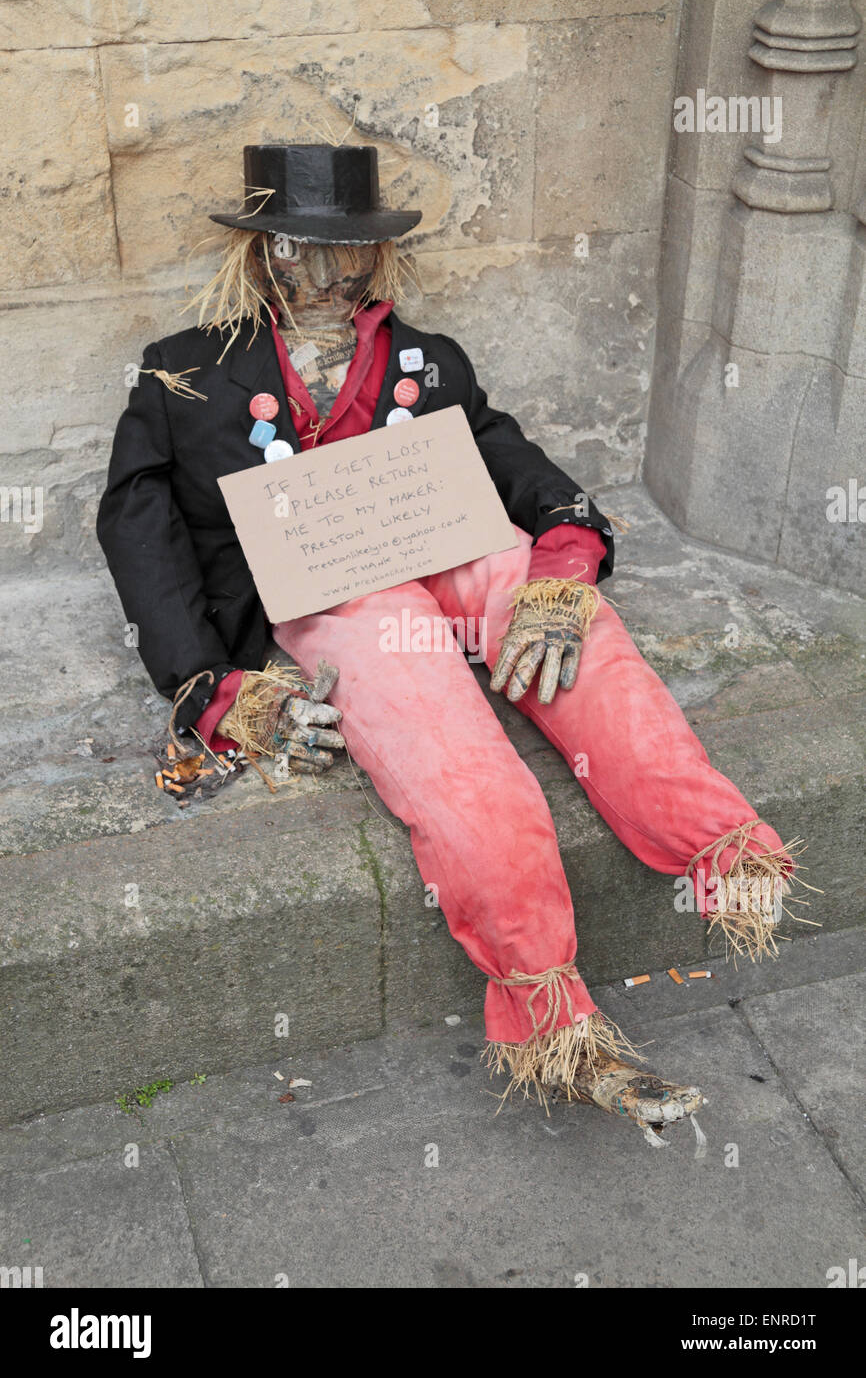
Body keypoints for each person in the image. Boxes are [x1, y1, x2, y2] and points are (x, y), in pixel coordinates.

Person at [97, 143, 801, 1145]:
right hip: (335, 581)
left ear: (376, 254)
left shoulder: (425, 362)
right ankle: (554, 1017)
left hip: (448, 534)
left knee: (572, 635)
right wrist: (210, 686)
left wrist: (562, 559)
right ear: (262, 253)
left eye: (350, 251)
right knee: (450, 749)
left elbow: (504, 453)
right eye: (301, 248)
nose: (329, 274)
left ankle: (727, 847)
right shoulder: (185, 374)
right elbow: (136, 522)